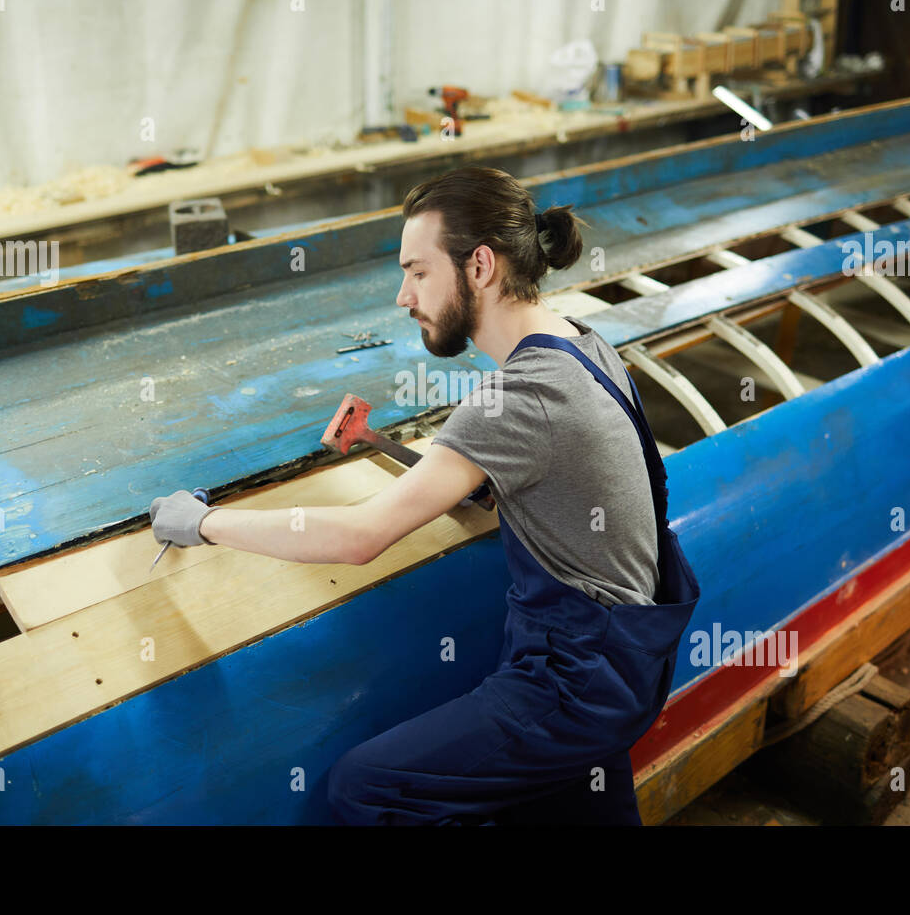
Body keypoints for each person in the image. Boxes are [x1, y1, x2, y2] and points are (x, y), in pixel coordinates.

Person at [149, 165, 702, 824]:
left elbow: (360, 538)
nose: (402, 296)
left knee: (366, 788)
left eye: (417, 271)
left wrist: (205, 522)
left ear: (480, 267)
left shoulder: (513, 400)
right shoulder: (587, 346)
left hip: (571, 684)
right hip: (633, 669)